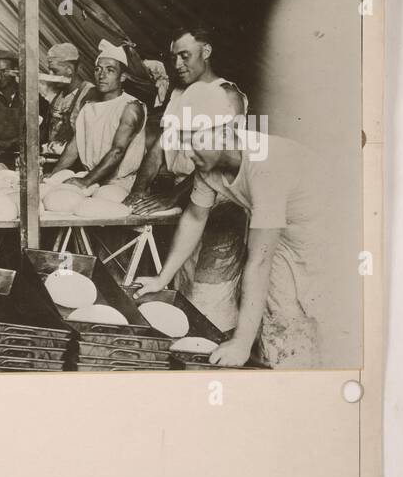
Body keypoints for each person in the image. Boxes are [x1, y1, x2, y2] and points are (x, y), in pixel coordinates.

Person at [135, 131, 326, 368]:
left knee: (306, 324)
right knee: (276, 323)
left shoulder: (265, 165)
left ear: (223, 135)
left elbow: (259, 263)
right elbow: (195, 218)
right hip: (280, 233)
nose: (186, 153)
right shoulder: (208, 167)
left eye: (193, 144)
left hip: (322, 237)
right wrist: (161, 278)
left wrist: (241, 344)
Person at [126, 26, 251, 332]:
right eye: (174, 58)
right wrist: (136, 193)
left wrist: (172, 197)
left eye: (185, 55)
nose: (178, 64)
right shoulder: (180, 93)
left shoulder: (228, 94)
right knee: (182, 286)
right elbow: (160, 146)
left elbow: (221, 159)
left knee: (210, 296)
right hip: (193, 200)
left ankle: (218, 353)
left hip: (222, 206)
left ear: (206, 52)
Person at [51, 40, 147, 191]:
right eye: (98, 69)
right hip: (92, 178)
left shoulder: (131, 107)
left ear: (122, 77)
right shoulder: (88, 107)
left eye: (110, 70)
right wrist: (52, 176)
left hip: (118, 184)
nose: (102, 75)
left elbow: (117, 151)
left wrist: (85, 182)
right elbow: (73, 149)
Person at [41, 42, 95, 160]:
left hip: (75, 163)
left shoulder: (89, 93)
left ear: (69, 70)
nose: (51, 75)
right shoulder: (57, 95)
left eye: (55, 71)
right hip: (52, 158)